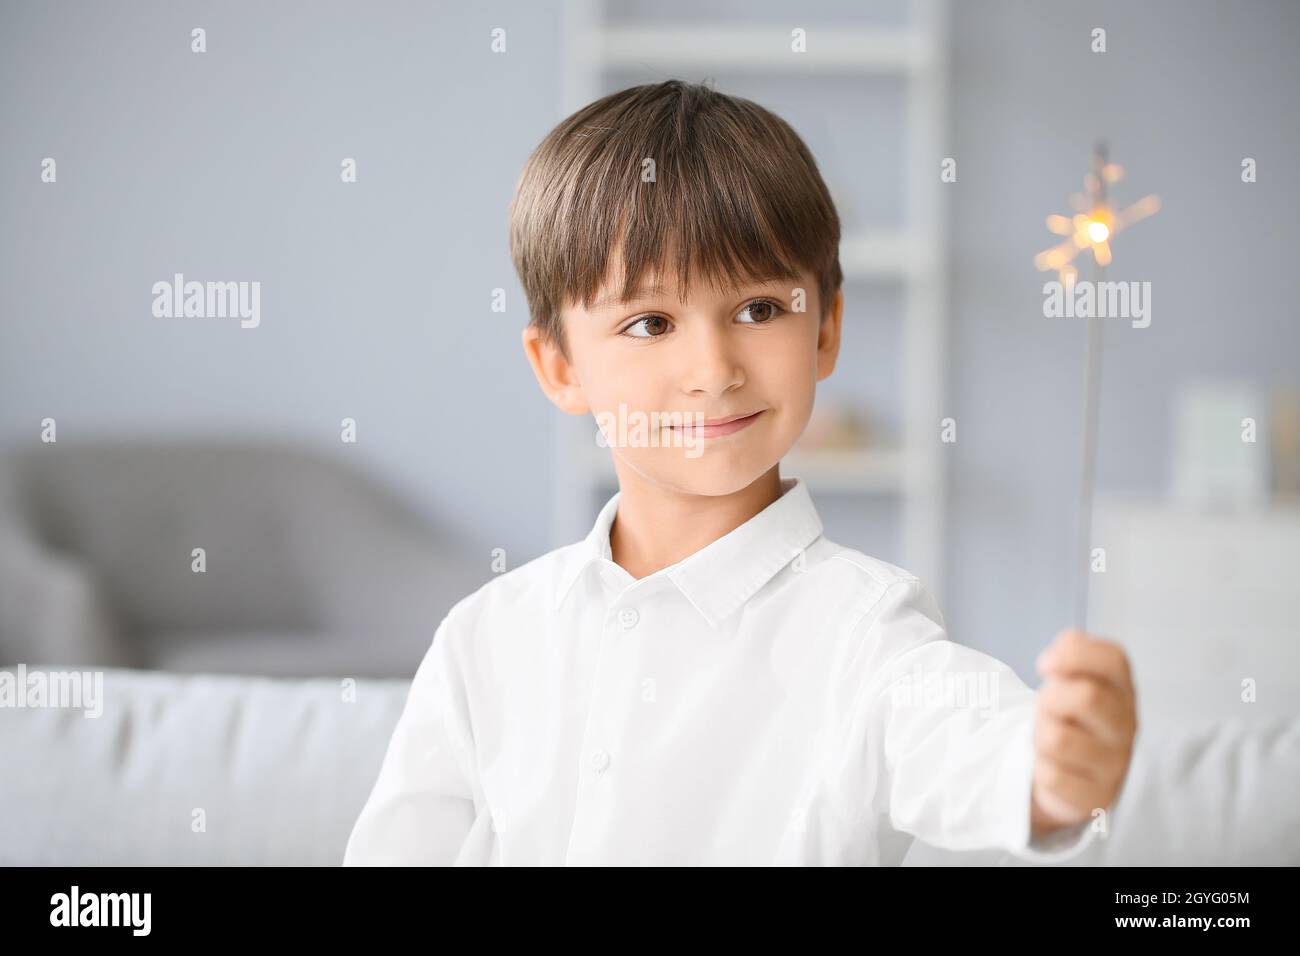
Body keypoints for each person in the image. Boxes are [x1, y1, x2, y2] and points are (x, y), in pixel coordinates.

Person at [343, 80, 1137, 866]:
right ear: (558, 366)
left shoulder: (868, 635)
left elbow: (973, 745)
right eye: (650, 322)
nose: (713, 370)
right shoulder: (487, 638)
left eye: (759, 309)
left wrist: (1054, 779)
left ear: (825, 329)